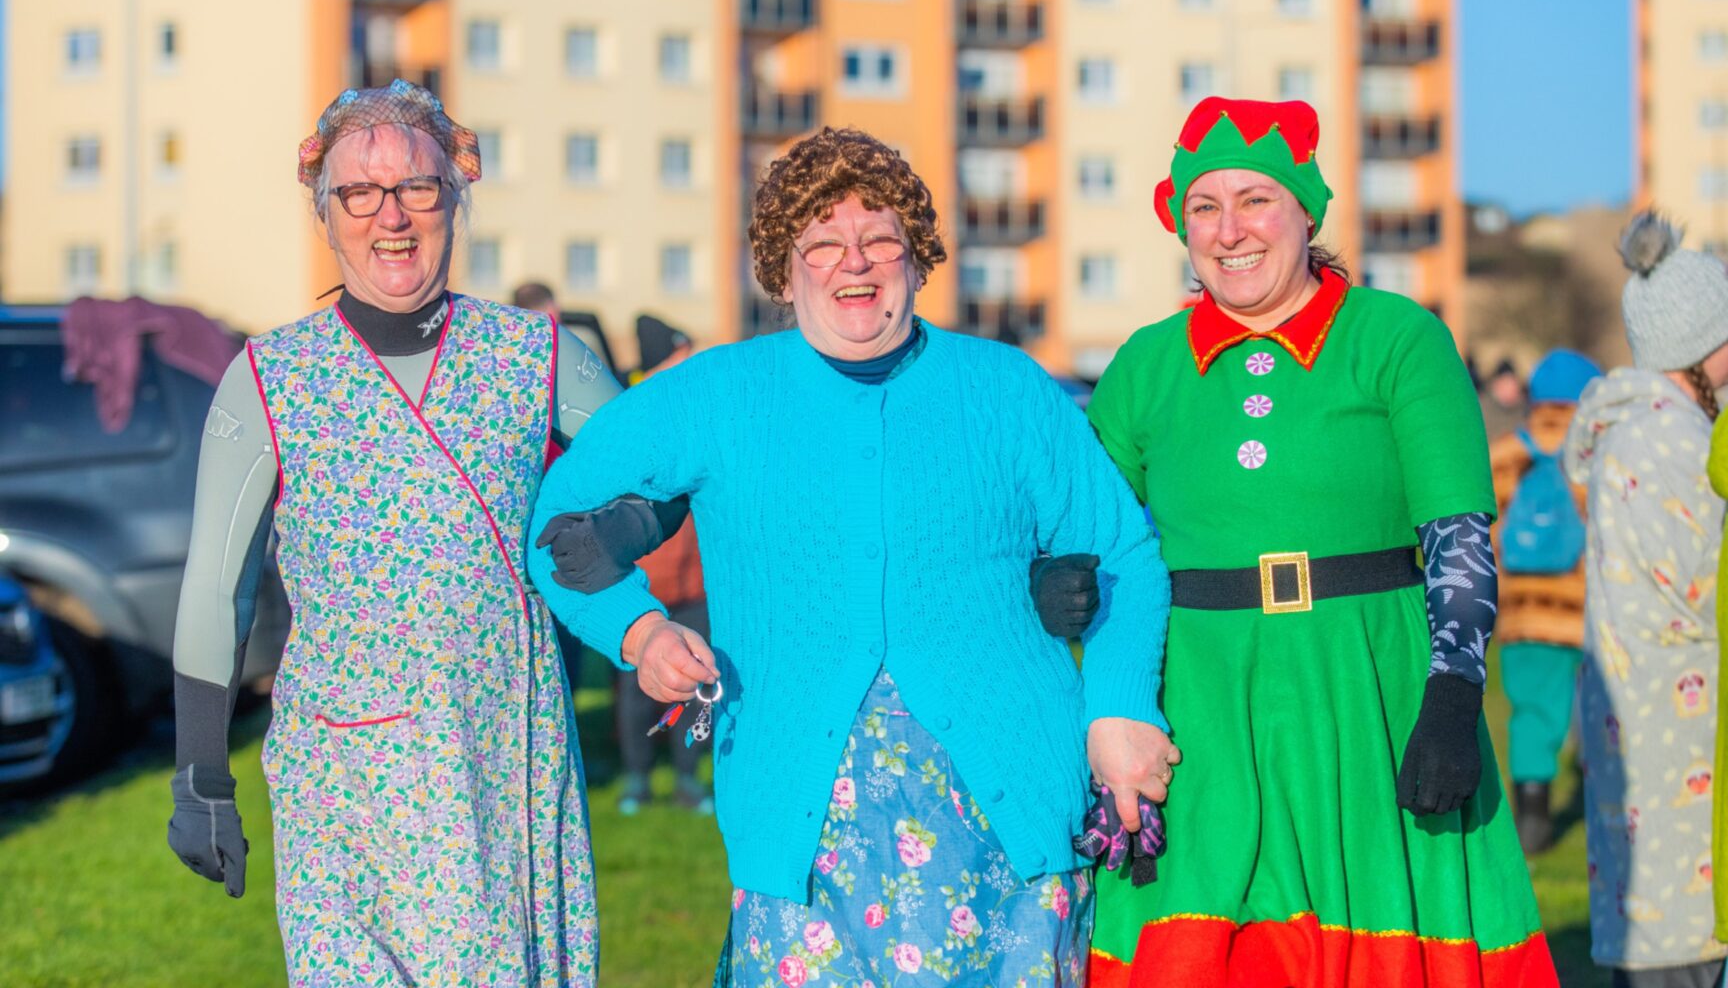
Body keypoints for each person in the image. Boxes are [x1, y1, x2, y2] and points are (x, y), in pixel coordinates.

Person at [527, 126, 1178, 985]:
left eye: (880, 240)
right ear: (782, 269)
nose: (854, 264)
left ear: (917, 258)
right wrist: (641, 634)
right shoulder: (717, 393)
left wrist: (1121, 708)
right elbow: (558, 527)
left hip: (1009, 830)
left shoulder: (1007, 388)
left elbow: (1124, 548)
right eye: (823, 244)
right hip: (802, 841)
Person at [1085, 97, 1556, 987]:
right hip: (1203, 707)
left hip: (1366, 692)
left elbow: (1457, 536)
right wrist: (1063, 577)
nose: (1230, 231)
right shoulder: (1146, 364)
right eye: (1204, 208)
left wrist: (1454, 697)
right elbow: (1091, 531)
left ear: (1307, 210)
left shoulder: (1397, 339)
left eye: (1256, 199)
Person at [165, 80, 612, 986]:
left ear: (458, 192)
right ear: (325, 214)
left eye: (418, 187)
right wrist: (200, 774)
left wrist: (628, 524)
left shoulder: (542, 355)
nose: (391, 217)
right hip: (343, 789)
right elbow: (218, 587)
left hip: (507, 771)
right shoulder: (268, 381)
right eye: (359, 193)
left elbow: (657, 474)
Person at [1566, 210, 1728, 986]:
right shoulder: (1673, 442)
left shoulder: (1639, 427)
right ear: (1701, 345)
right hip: (1676, 727)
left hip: (1641, 714)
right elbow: (1707, 580)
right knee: (1679, 938)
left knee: (1654, 915)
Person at [1490, 347, 1601, 854]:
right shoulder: (1596, 455)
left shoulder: (1507, 454)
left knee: (1531, 712)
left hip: (1522, 614)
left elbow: (1484, 531)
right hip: (1584, 612)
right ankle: (1604, 805)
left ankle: (1532, 820)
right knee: (1598, 715)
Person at [614, 315, 711, 815]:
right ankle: (636, 779)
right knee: (635, 691)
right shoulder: (630, 421)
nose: (690, 368)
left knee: (698, 685)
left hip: (695, 582)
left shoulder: (701, 420)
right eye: (681, 358)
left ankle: (689, 780)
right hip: (643, 582)